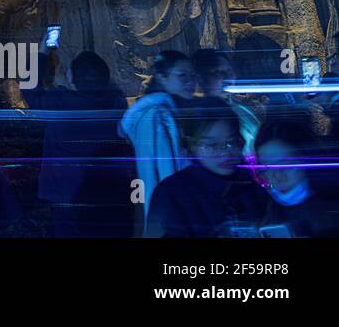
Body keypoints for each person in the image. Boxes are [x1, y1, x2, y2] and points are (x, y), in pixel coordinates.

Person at [25, 50, 130, 236]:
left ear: (73, 77)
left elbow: (29, 91)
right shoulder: (117, 103)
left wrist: (41, 54)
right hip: (108, 190)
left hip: (67, 193)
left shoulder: (63, 103)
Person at [146, 100, 267, 237]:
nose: (225, 153)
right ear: (190, 147)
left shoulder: (252, 186)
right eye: (210, 145)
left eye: (231, 142)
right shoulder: (172, 193)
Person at [120, 50, 196, 220]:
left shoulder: (167, 112)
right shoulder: (158, 117)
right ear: (162, 77)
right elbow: (165, 173)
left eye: (193, 75)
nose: (191, 81)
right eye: (182, 75)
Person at [256, 119, 339, 236]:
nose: (277, 176)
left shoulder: (332, 213)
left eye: (286, 164)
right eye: (267, 168)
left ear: (307, 160)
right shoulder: (264, 213)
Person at [193, 49, 260, 154]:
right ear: (201, 78)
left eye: (229, 72)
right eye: (217, 73)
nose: (227, 78)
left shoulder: (244, 110)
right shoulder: (195, 114)